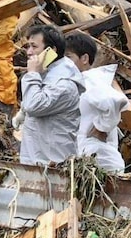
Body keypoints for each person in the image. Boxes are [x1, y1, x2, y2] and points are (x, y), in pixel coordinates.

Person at [16, 21, 85, 165]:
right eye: (28, 46)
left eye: (34, 47)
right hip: (35, 161)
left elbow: (34, 105)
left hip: (52, 165)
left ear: (51, 50)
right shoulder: (48, 72)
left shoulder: (65, 83)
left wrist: (33, 74)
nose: (28, 52)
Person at [67, 32, 128, 173]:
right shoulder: (78, 82)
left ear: (84, 59)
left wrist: (101, 128)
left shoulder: (91, 79)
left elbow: (117, 101)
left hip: (97, 160)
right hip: (87, 159)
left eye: (69, 57)